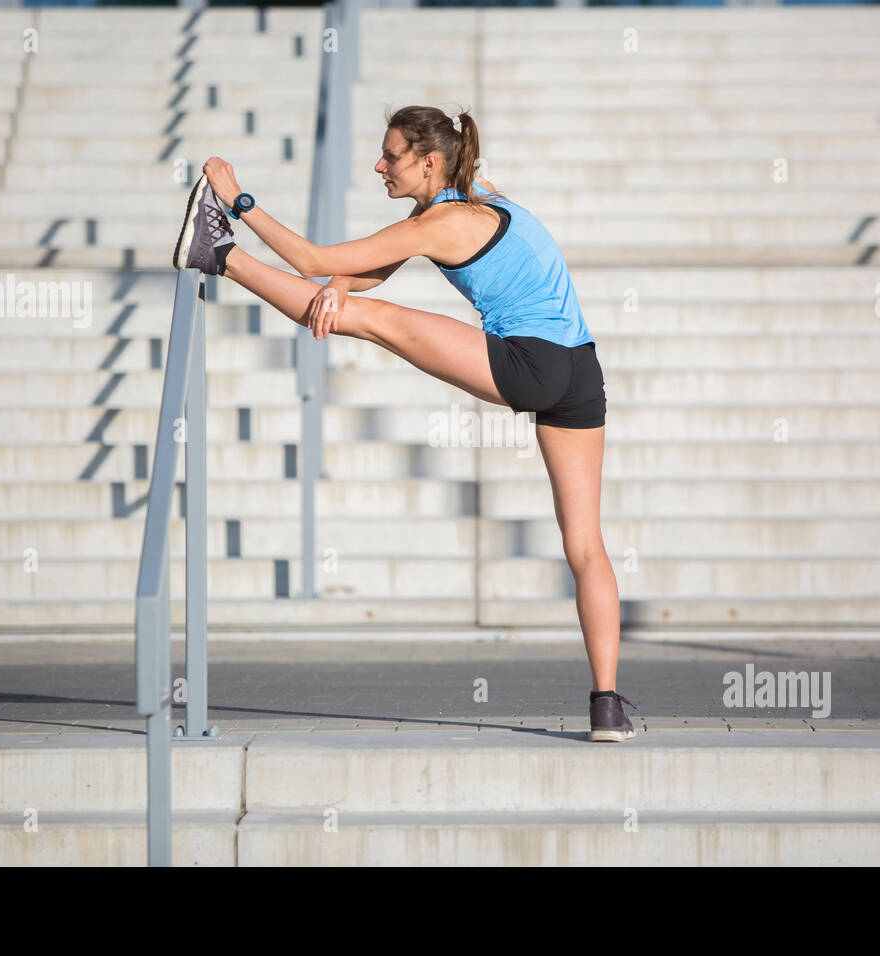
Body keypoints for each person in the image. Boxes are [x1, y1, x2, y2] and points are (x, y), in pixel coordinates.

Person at [173, 104, 637, 742]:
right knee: (587, 547)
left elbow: (310, 258)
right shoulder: (476, 199)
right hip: (581, 372)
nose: (378, 165)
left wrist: (239, 200)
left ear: (429, 162)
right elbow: (364, 269)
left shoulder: (440, 222)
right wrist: (340, 285)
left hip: (529, 363)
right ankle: (607, 706)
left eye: (390, 156)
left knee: (376, 320)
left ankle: (220, 256)